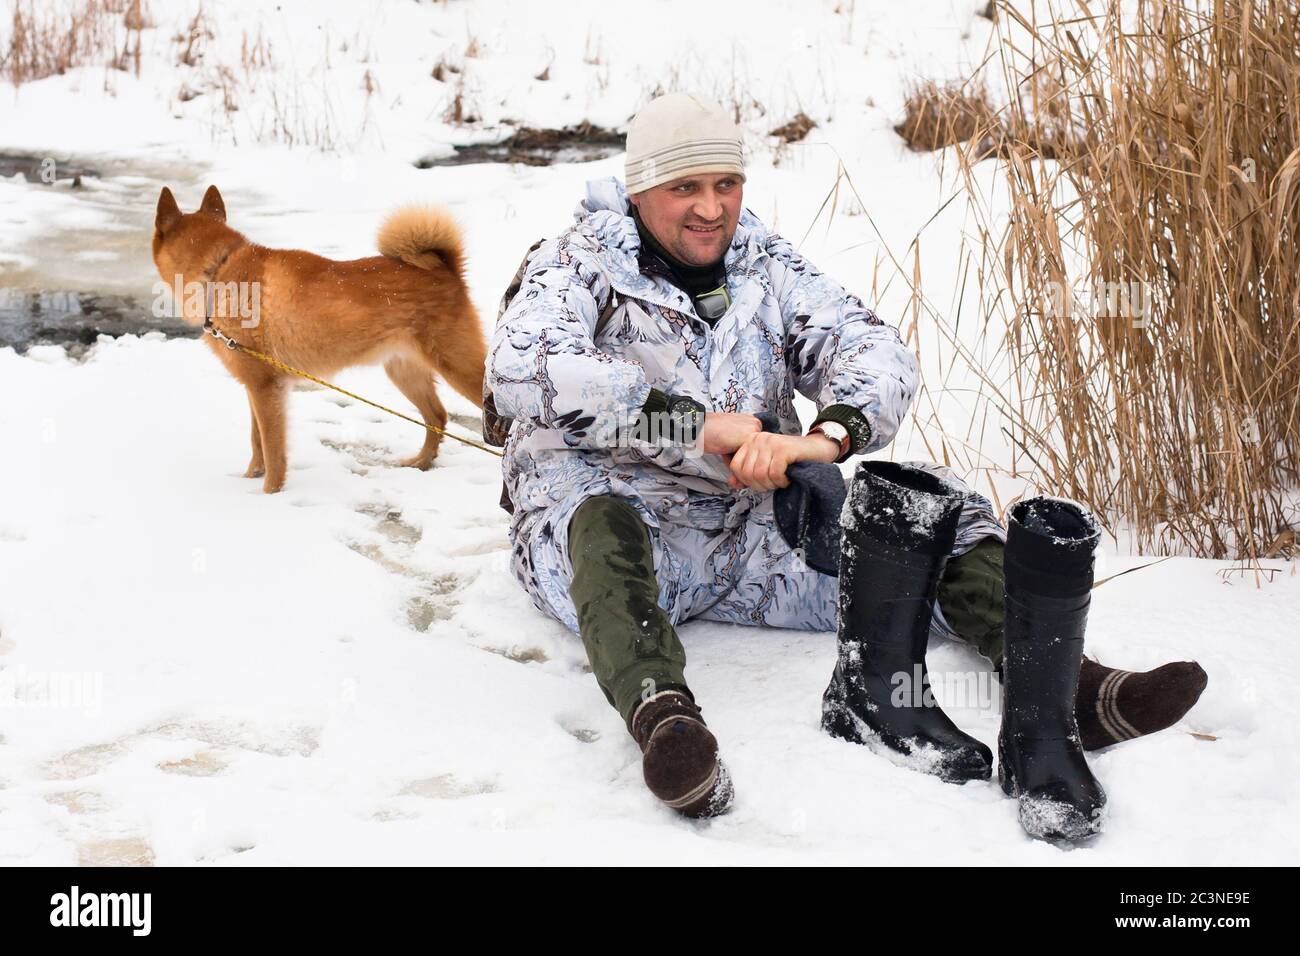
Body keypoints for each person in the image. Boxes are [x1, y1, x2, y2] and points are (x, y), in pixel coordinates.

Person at [485, 92, 1207, 841]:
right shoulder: (577, 260)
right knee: (601, 523)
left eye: (726, 184)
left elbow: (874, 350)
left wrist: (823, 439)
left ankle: (1062, 688)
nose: (711, 208)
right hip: (610, 536)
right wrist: (694, 427)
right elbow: (522, 367)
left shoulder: (763, 263)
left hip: (746, 535)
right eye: (685, 187)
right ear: (639, 191)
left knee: (929, 516)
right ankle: (668, 727)